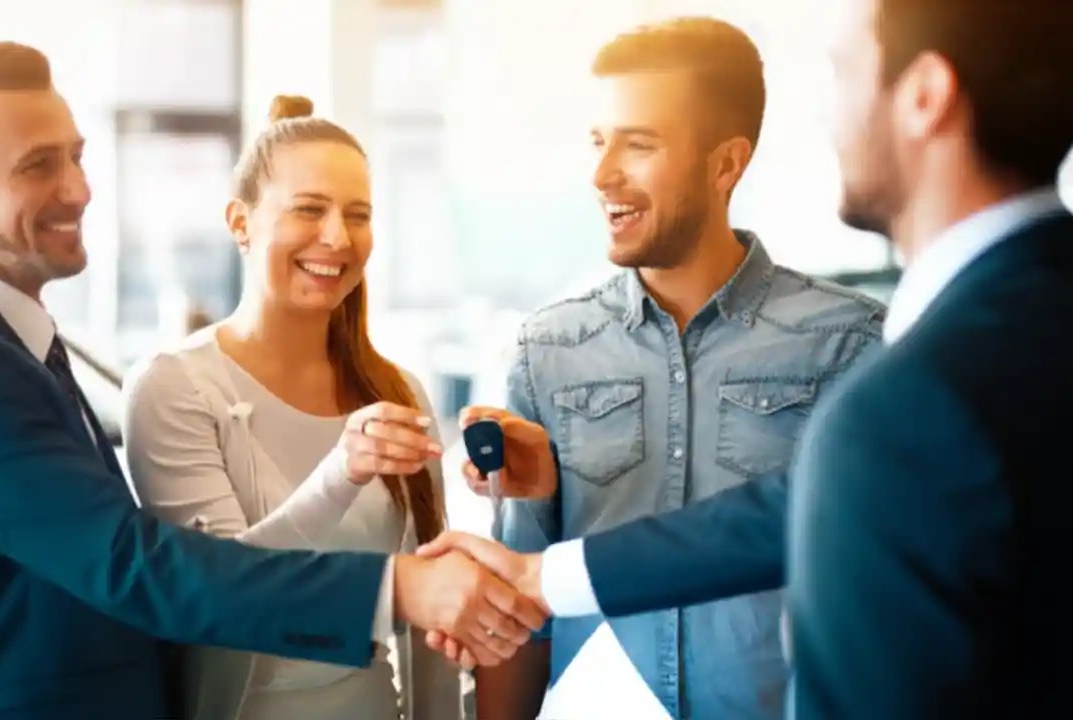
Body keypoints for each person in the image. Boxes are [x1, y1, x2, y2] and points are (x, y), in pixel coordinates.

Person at [0, 42, 544, 720]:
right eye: (38, 166)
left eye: (78, 158)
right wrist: (398, 587)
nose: (80, 190)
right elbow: (137, 569)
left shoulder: (8, 345)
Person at [430, 1, 1073, 717]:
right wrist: (537, 575)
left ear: (925, 97)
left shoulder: (897, 378)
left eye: (843, 73)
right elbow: (784, 515)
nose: (827, 119)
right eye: (596, 140)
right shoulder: (986, 345)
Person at [436, 17, 885, 720]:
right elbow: (521, 614)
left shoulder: (848, 343)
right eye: (597, 141)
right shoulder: (547, 350)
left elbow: (870, 589)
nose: (601, 173)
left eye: (638, 144)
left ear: (726, 164)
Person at [122, 95, 460, 720]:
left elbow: (432, 614)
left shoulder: (398, 393)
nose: (337, 236)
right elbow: (219, 596)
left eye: (357, 215)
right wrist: (342, 473)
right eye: (309, 209)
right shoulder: (175, 389)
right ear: (240, 222)